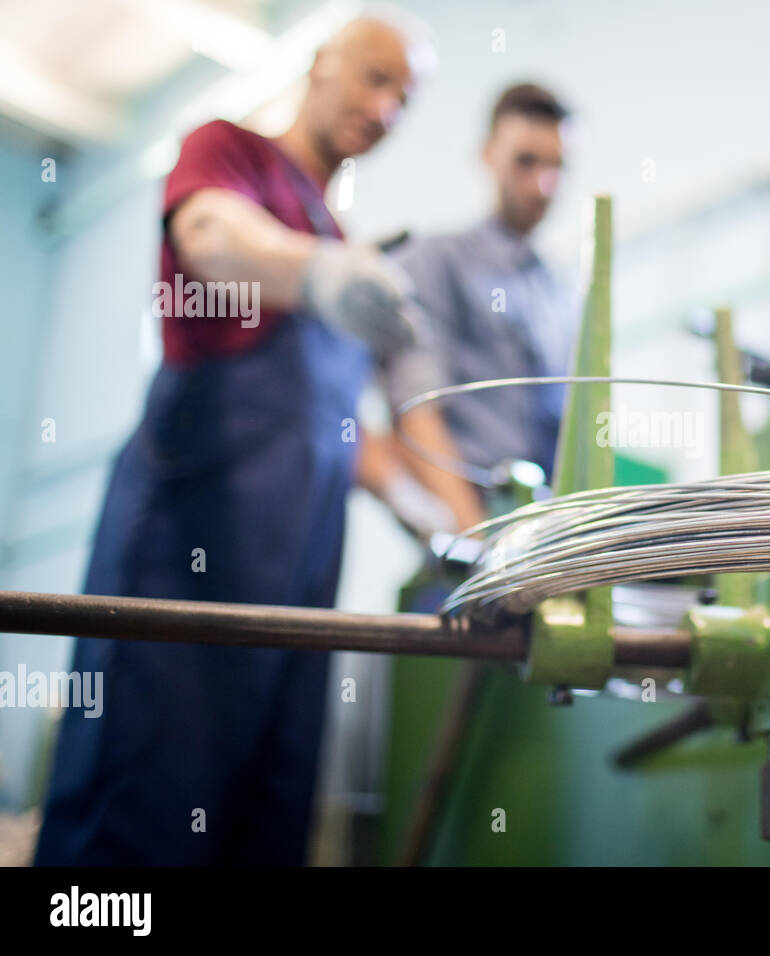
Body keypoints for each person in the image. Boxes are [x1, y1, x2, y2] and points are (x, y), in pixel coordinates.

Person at [34, 15, 476, 866]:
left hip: (293, 605)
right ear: (319, 66)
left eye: (403, 98)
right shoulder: (231, 155)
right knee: (139, 812)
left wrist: (444, 529)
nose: (385, 107)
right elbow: (212, 238)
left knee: (262, 824)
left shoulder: (351, 255)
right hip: (184, 571)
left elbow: (360, 441)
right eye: (372, 77)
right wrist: (312, 273)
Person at [360, 83, 576, 523]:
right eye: (526, 161)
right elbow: (416, 409)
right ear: (488, 155)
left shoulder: (559, 290)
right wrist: (474, 541)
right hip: (469, 532)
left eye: (556, 166)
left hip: (543, 536)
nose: (542, 185)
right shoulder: (436, 262)